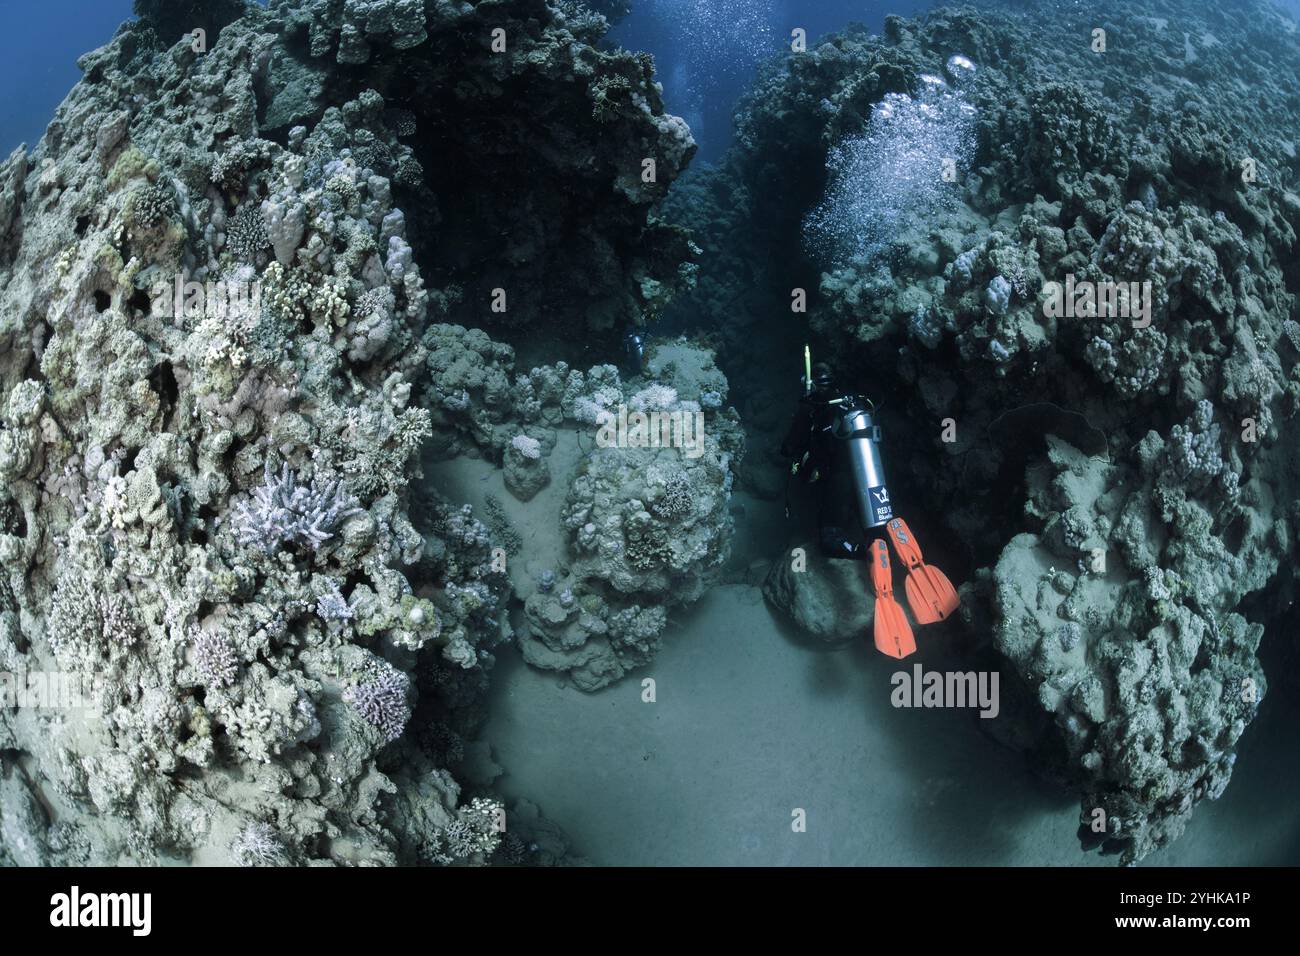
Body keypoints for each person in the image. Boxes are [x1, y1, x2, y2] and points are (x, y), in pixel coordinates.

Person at [779, 349, 960, 658]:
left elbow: (790, 449)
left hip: (838, 483)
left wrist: (800, 425)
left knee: (829, 539)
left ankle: (871, 558)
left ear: (810, 383)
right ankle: (914, 562)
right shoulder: (852, 403)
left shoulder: (812, 407)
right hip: (872, 479)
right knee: (883, 520)